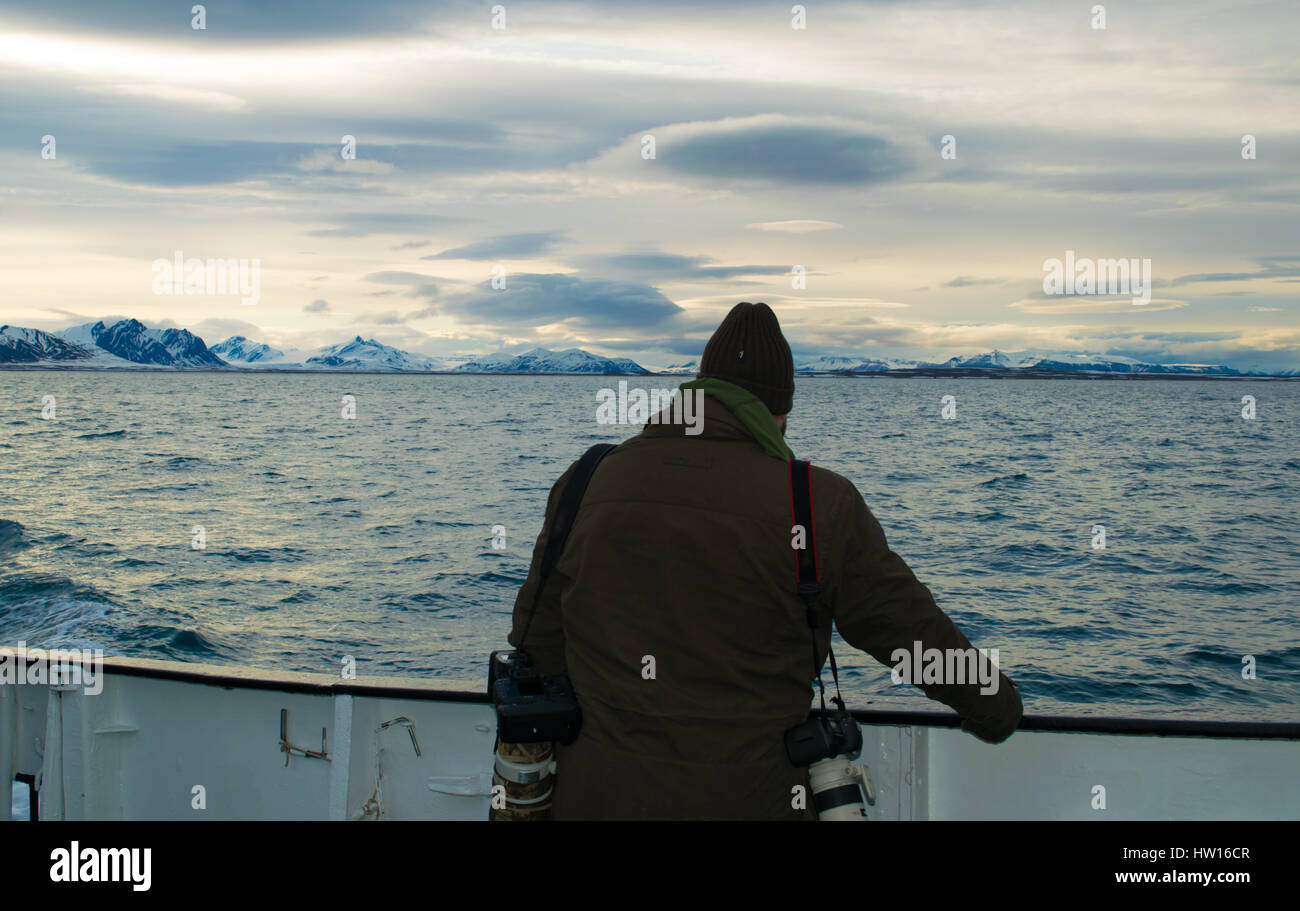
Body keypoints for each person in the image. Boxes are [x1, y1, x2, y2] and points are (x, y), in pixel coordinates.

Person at [507, 301, 1022, 820]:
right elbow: (906, 632)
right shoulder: (816, 500)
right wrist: (995, 707)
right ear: (777, 412)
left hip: (595, 796)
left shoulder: (587, 479)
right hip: (752, 798)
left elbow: (536, 640)